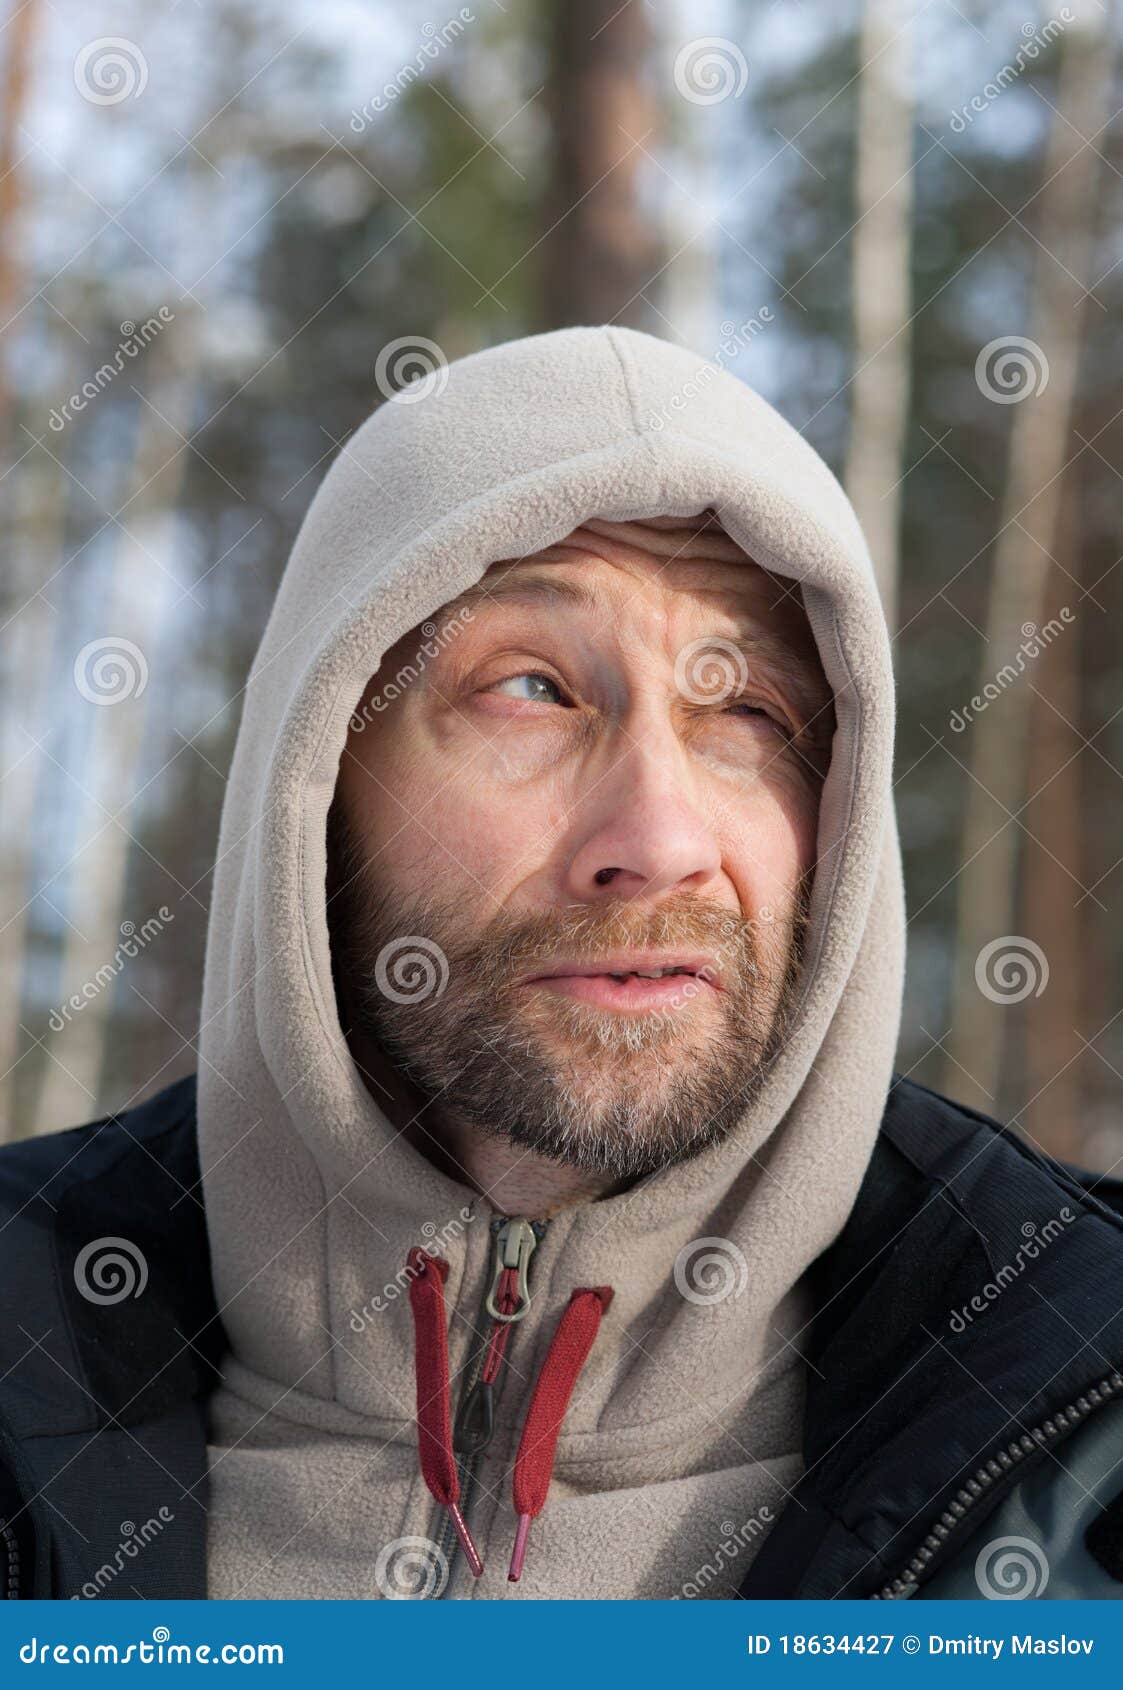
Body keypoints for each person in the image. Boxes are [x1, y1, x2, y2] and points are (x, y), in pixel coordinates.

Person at [2, 327, 1121, 1602]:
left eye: (747, 709)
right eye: (530, 689)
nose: (658, 841)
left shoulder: (1080, 1415)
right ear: (315, 782)